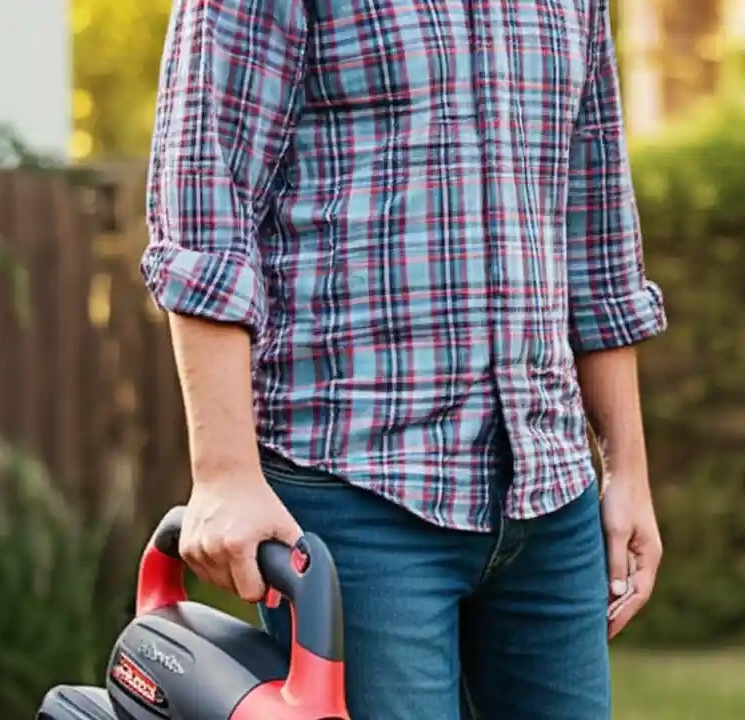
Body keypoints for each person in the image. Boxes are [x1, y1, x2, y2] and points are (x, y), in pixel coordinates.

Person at [141, 0, 667, 717]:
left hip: (549, 500)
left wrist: (627, 471)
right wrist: (226, 472)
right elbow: (206, 205)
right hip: (357, 498)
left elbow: (597, 223)